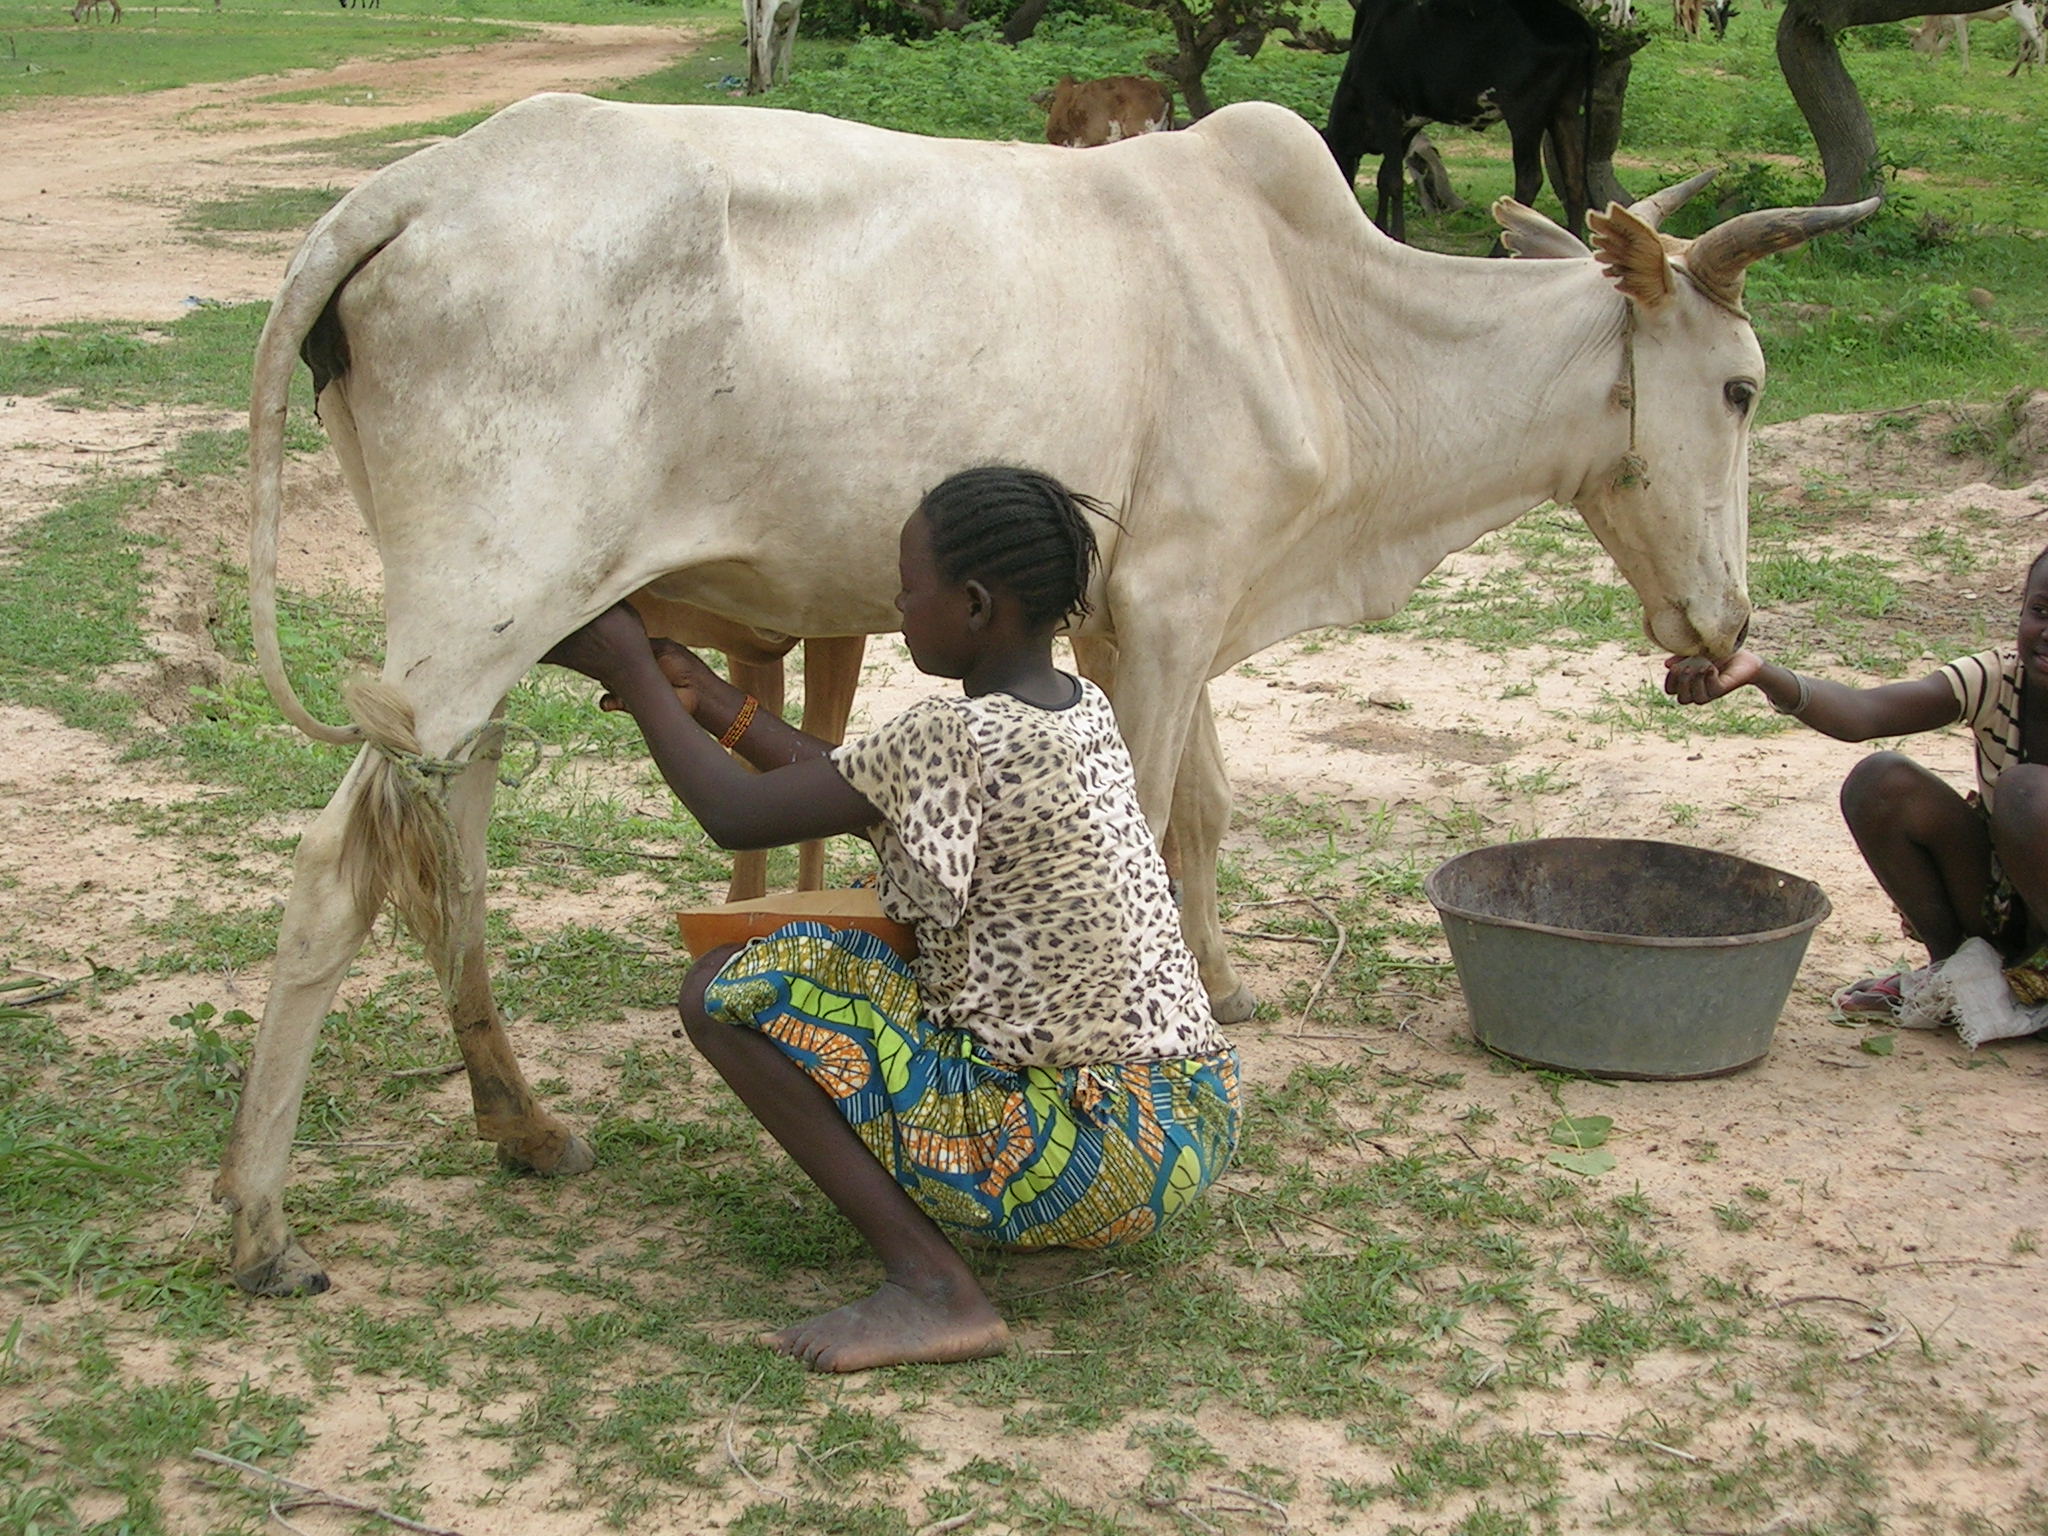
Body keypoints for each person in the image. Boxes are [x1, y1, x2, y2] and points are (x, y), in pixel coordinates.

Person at [542, 466, 1240, 1372]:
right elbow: (864, 787)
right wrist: (709, 698)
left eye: (911, 588)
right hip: (1182, 1124)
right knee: (860, 960)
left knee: (723, 988)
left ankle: (934, 1289)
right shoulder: (1079, 713)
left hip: (1079, 1156)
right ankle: (968, 1249)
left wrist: (634, 668)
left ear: (977, 605)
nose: (898, 604)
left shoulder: (948, 736)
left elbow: (734, 816)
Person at [1664, 543, 2048, 1016]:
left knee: (2026, 792)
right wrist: (1762, 674)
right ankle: (1958, 971)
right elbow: (1864, 714)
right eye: (2040, 610)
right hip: (2009, 907)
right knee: (1882, 781)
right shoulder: (2000, 676)